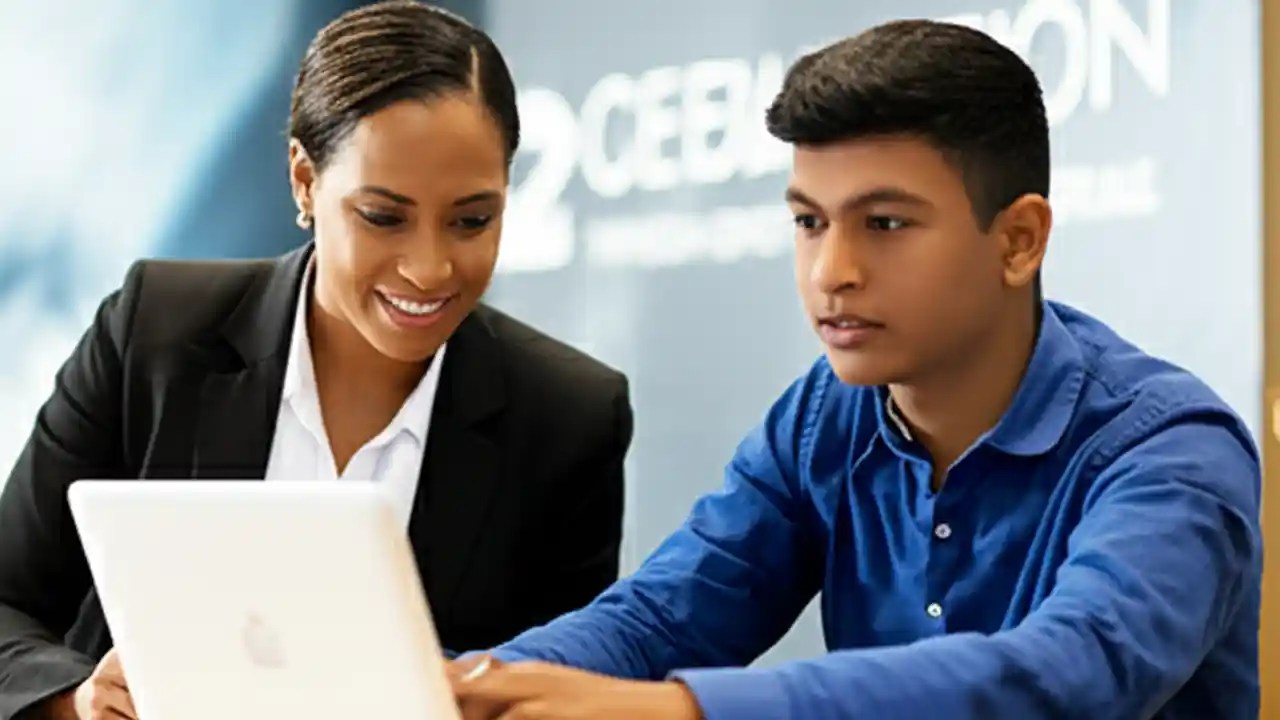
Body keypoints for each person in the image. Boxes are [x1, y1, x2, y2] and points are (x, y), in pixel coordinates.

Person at [447, 19, 1262, 720]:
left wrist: (688, 709)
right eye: (809, 222)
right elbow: (660, 620)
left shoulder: (1170, 449)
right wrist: (459, 688)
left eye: (885, 223)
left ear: (1019, 241)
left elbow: (1069, 674)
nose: (831, 272)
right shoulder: (822, 418)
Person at [0, 3, 633, 719]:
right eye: (383, 217)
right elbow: (8, 603)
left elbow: (561, 688)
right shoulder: (154, 332)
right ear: (305, 180)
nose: (429, 268)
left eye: (472, 220)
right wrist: (77, 700)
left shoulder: (568, 416)